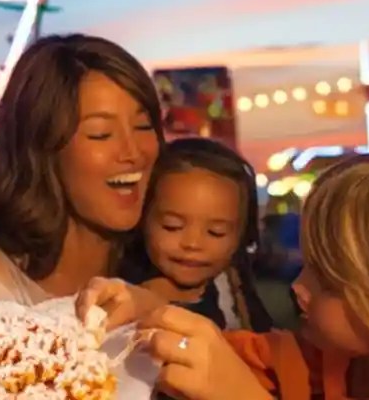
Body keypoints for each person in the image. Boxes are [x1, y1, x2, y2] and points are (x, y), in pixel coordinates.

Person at [79, 147, 369, 400]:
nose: (299, 286)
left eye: (329, 278)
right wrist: (150, 310)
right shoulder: (326, 360)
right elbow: (221, 352)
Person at [0, 33, 164, 316]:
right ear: (40, 148)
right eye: (101, 134)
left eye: (143, 126)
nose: (133, 152)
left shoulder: (172, 264)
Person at [117, 137, 273, 332]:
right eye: (172, 226)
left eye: (216, 233)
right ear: (142, 219)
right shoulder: (125, 301)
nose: (193, 244)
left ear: (242, 235)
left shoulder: (234, 289)